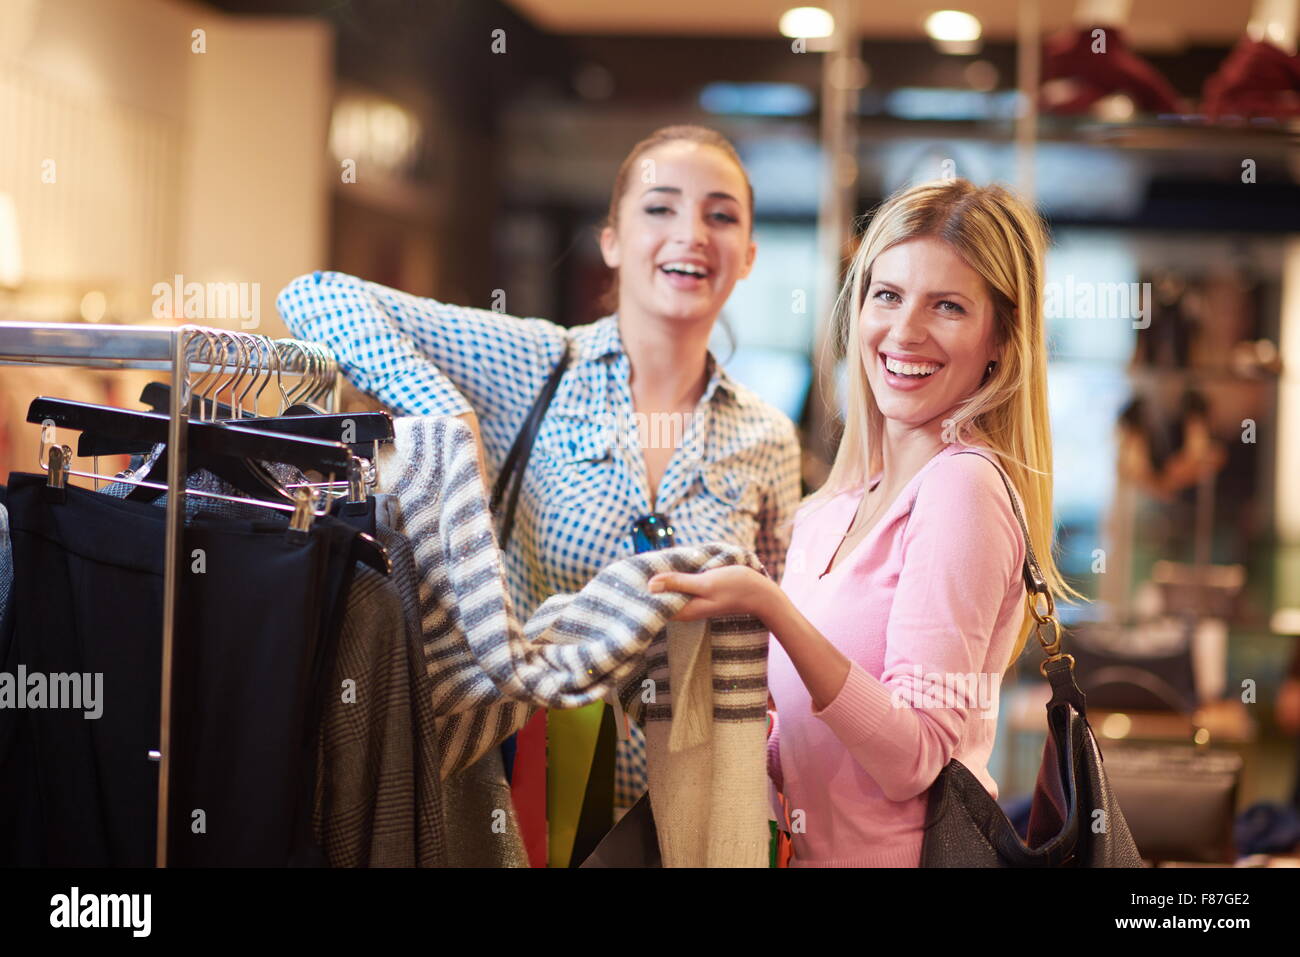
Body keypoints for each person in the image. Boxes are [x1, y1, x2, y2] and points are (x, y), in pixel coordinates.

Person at [277, 124, 802, 866]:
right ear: (612, 240)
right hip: (524, 790)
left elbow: (768, 640)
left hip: (685, 819)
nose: (692, 233)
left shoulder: (766, 435)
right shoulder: (536, 362)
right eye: (660, 208)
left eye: (721, 214)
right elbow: (317, 299)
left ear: (748, 254)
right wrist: (448, 416)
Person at [648, 178, 1080, 866]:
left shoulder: (962, 487)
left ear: (1000, 338)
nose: (905, 331)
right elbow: (807, 747)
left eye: (947, 306)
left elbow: (912, 759)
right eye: (888, 295)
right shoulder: (831, 510)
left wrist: (770, 608)